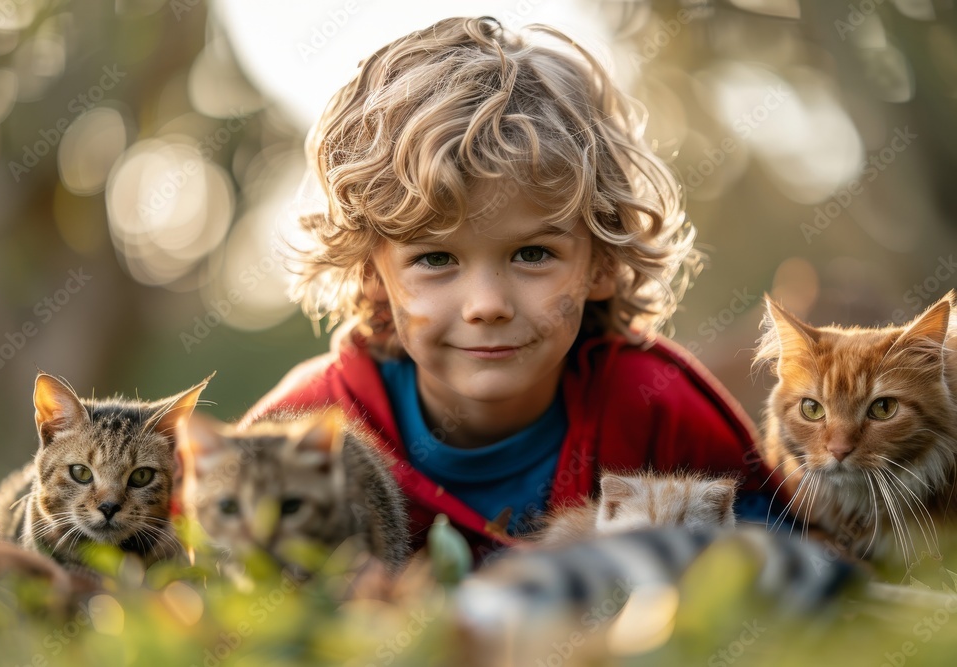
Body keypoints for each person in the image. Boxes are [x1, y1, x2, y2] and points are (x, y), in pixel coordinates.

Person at [244, 16, 779, 561]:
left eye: (532, 254)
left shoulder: (657, 410)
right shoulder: (302, 430)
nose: (487, 306)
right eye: (434, 258)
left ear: (601, 263)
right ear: (371, 274)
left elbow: (791, 568)